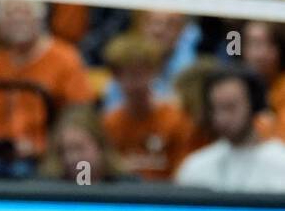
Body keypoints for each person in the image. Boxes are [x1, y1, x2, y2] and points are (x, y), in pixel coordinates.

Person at [0, 0, 93, 178]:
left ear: (40, 18)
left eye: (24, 11)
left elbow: (80, 120)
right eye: (9, 13)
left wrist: (39, 147)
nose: (17, 18)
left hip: (45, 161)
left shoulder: (66, 61)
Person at [175, 67, 285, 193]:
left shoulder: (281, 163)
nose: (221, 118)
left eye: (230, 108)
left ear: (254, 105)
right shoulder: (195, 166)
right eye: (215, 108)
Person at [100, 34, 194, 180]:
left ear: (153, 72)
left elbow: (183, 173)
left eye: (139, 74)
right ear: (115, 77)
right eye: (126, 75)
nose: (133, 83)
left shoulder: (177, 120)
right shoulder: (109, 123)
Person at [40, 106, 134, 183]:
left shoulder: (128, 185)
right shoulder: (48, 187)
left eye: (79, 148)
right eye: (64, 151)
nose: (71, 158)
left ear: (100, 146)